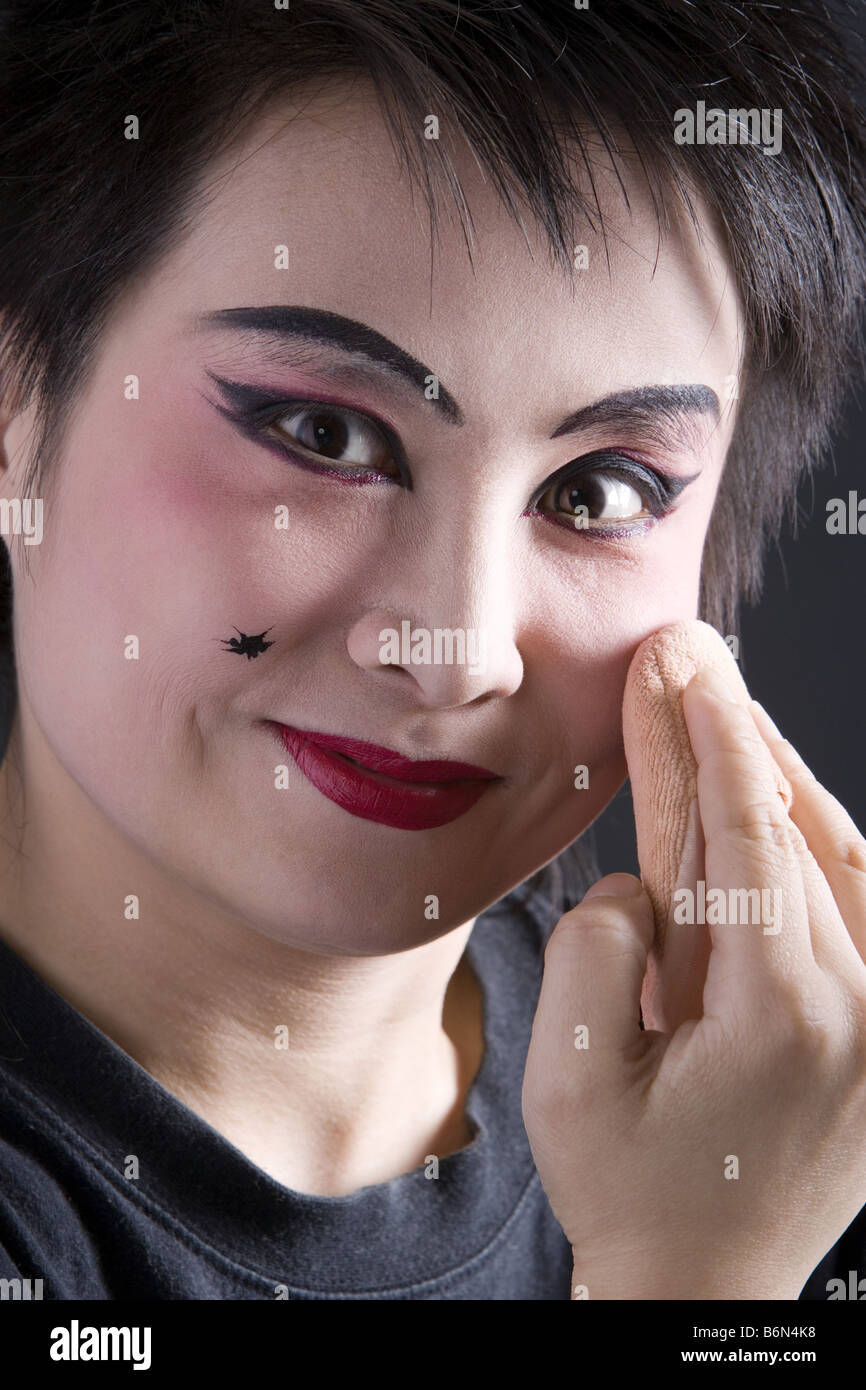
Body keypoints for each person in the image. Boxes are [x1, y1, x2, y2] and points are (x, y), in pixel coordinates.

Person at [0, 0, 863, 1301]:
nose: (455, 649)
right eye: (322, 434)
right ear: (16, 399)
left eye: (598, 492)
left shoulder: (790, 1127)